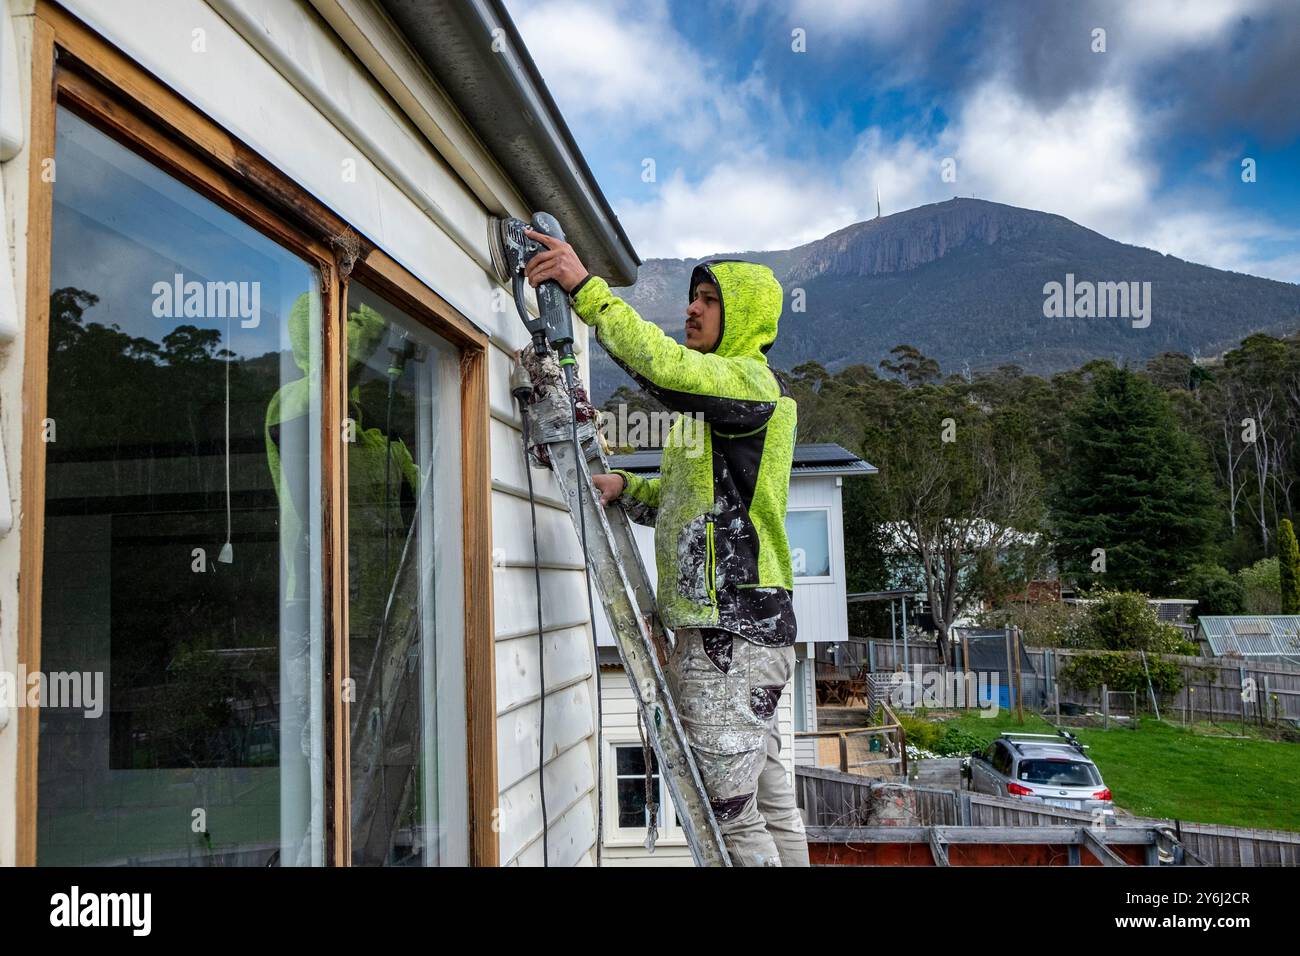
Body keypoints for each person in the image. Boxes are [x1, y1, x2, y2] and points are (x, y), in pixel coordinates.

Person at [523, 229, 809, 867]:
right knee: (768, 801)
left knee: (727, 817)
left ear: (741, 317)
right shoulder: (712, 415)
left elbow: (664, 369)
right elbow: (687, 505)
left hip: (729, 631)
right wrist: (628, 487)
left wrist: (583, 291)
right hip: (733, 632)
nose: (691, 309)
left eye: (708, 299)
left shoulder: (750, 386)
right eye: (692, 297)